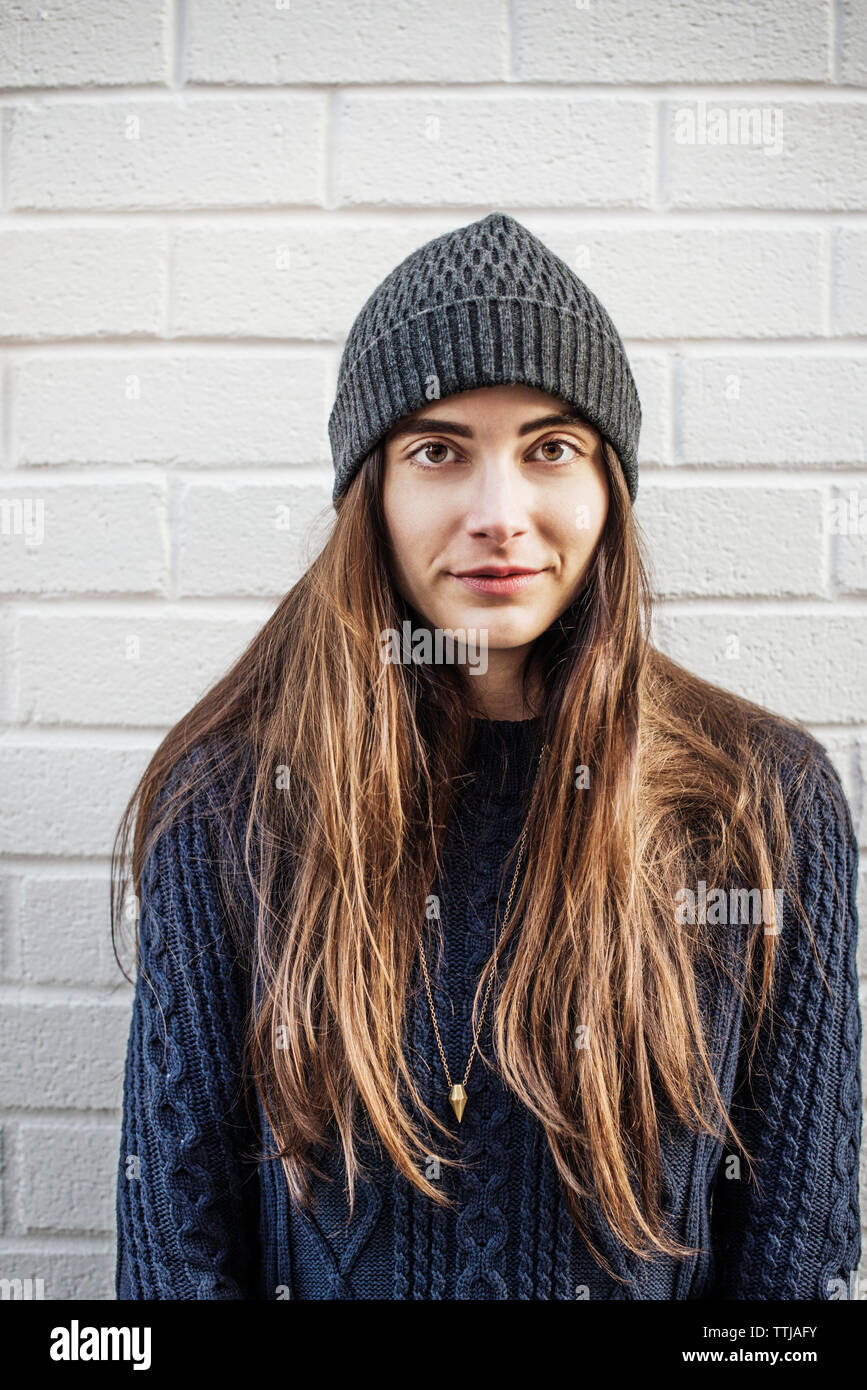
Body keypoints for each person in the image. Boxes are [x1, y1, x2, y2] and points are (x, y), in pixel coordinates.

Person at [112, 211, 861, 1300]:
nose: (499, 514)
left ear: (609, 488)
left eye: (550, 448)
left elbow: (792, 1270)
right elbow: (175, 1266)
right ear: (370, 490)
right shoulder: (232, 806)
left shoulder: (764, 803)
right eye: (437, 449)